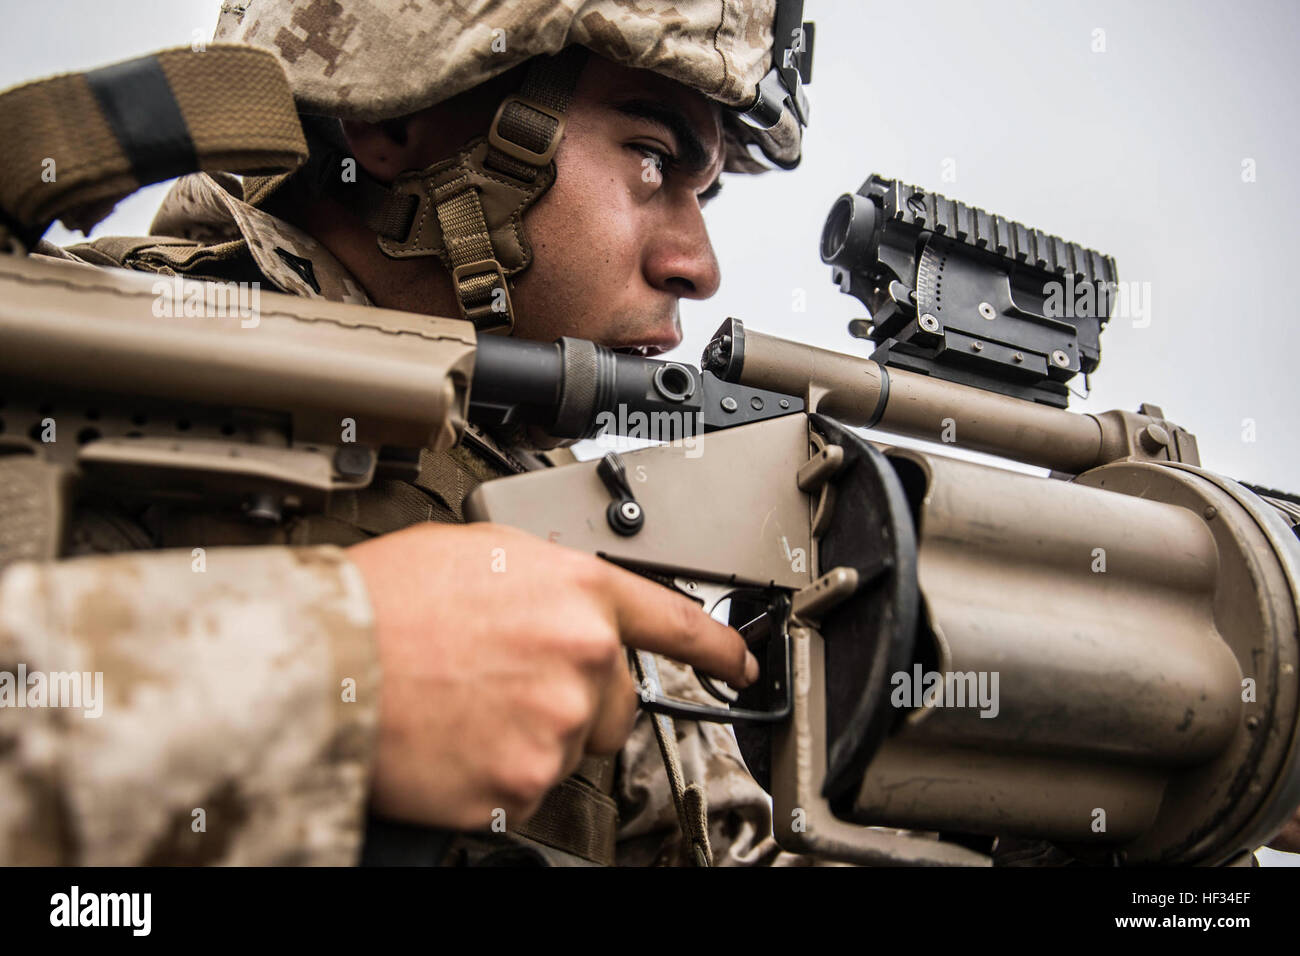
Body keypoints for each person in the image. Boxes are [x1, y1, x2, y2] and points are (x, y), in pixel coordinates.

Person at [0, 0, 820, 865]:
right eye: (651, 160)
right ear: (393, 120)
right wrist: (322, 676)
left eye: (709, 192)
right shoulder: (65, 355)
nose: (698, 264)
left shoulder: (566, 518)